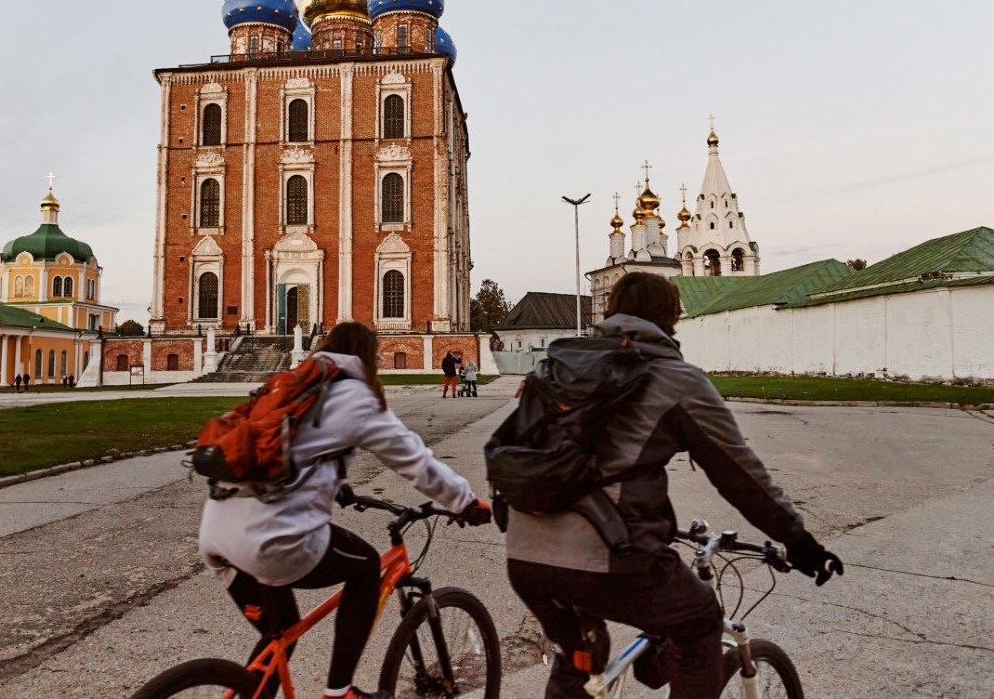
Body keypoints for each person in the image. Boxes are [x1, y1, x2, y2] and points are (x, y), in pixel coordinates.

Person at [505, 272, 842, 699]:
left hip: (525, 552)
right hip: (606, 557)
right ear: (671, 318)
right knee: (699, 623)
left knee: (581, 657)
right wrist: (799, 540)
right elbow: (739, 474)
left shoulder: (556, 367)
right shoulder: (675, 378)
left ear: (610, 313)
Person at [199, 321, 492, 699]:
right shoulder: (355, 395)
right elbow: (414, 462)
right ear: (367, 357)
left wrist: (335, 487)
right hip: (269, 538)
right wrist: (465, 502)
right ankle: (339, 692)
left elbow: (295, 452)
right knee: (367, 566)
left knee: (281, 634)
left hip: (217, 533)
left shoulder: (294, 382)